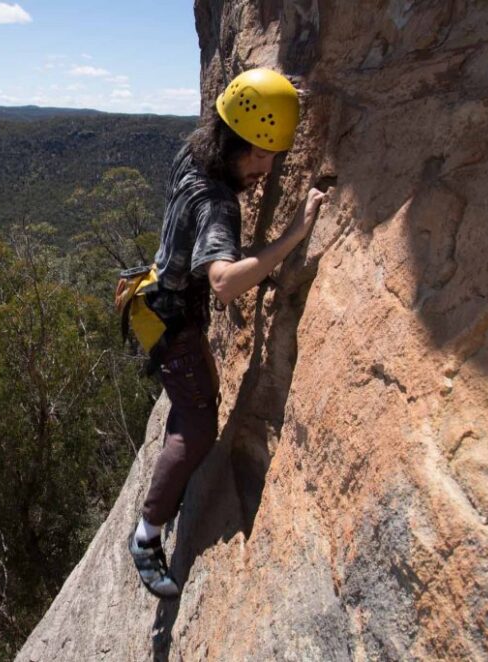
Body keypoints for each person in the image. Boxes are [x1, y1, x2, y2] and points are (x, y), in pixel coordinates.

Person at [128, 68, 327, 598]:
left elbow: (240, 107)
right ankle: (146, 536)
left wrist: (278, 93)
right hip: (173, 319)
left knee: (197, 396)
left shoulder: (196, 149)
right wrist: (294, 234)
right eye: (260, 155)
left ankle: (172, 472)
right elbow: (223, 283)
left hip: (159, 298)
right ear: (235, 144)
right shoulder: (218, 203)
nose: (267, 168)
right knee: (197, 426)